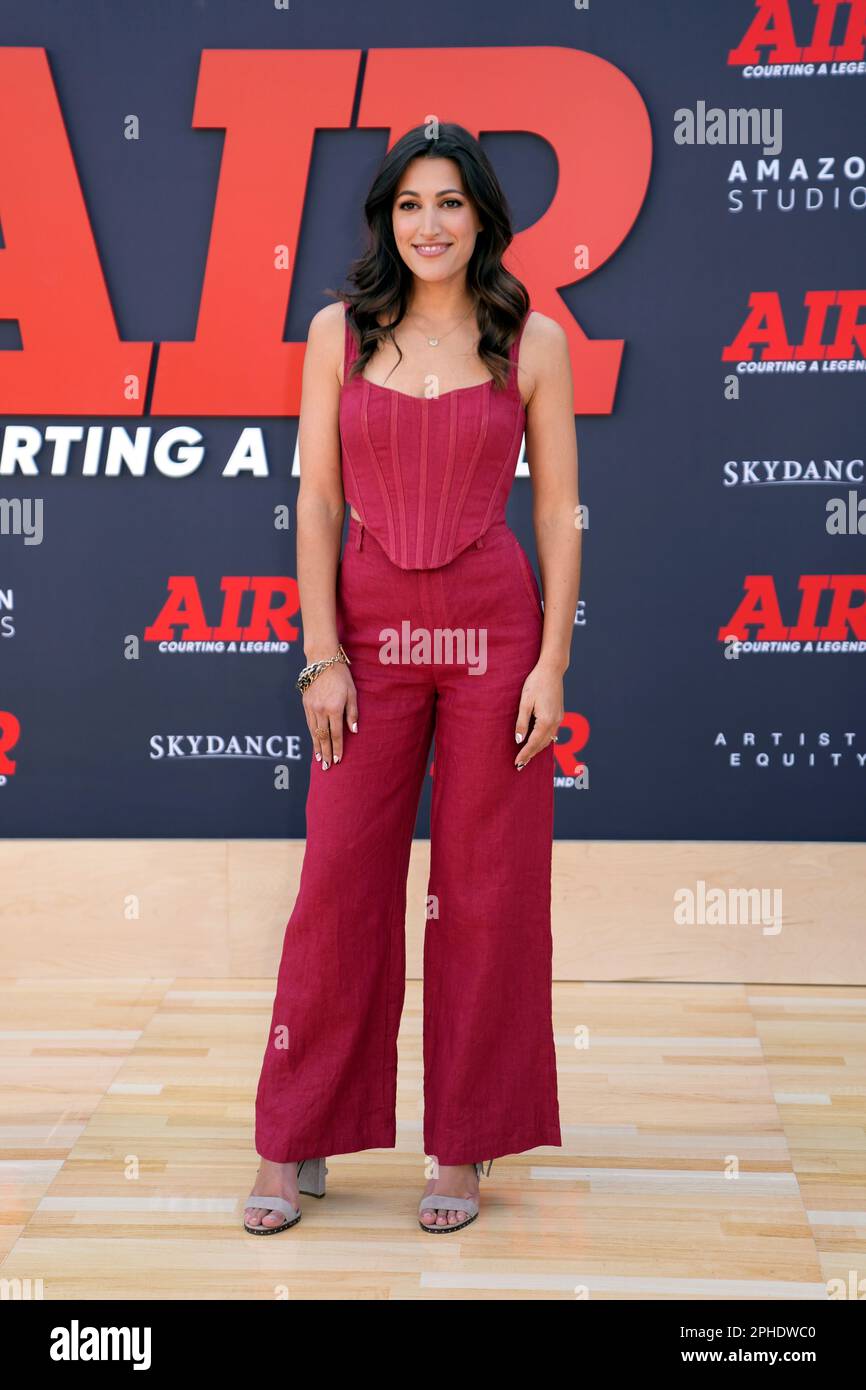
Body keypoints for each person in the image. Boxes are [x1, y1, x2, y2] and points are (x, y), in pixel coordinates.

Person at [244, 121, 581, 1235]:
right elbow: (318, 505)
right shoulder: (337, 333)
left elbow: (553, 513)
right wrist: (322, 653)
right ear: (385, 221)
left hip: (492, 634)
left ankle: (462, 1142)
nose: (428, 224)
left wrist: (550, 662)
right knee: (338, 886)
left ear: (480, 214)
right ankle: (295, 1136)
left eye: (448, 202)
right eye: (407, 205)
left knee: (485, 897)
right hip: (368, 640)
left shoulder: (528, 339)